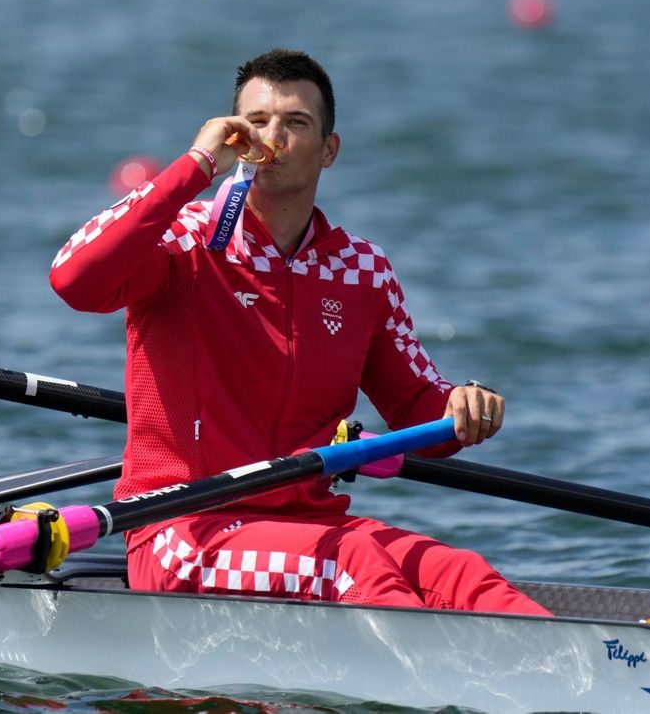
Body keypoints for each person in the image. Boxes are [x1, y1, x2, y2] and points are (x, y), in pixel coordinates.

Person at [50, 48, 548, 614]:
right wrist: (196, 165)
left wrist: (460, 407)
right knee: (354, 563)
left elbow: (420, 413)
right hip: (181, 529)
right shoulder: (185, 242)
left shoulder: (362, 270)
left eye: (295, 122)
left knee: (460, 572)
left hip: (312, 523)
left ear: (329, 150)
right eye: (256, 121)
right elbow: (72, 279)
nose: (272, 137)